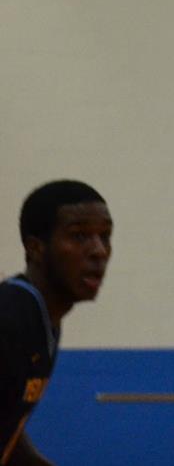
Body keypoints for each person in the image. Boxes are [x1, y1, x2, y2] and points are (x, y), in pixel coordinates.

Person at [4, 181, 110, 466]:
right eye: (79, 236)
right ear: (36, 248)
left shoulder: (42, 318)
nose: (99, 251)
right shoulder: (11, 319)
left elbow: (8, 433)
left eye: (105, 235)